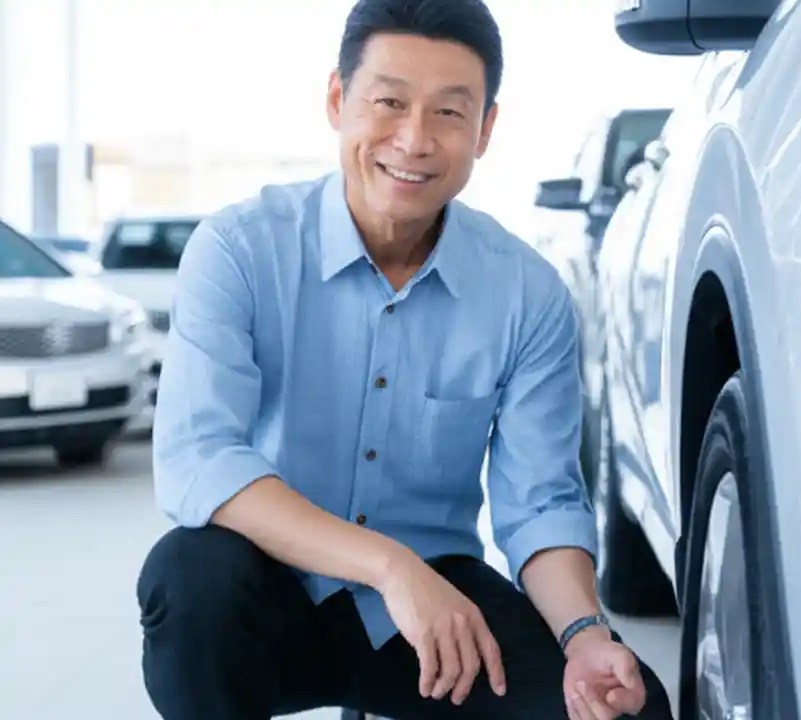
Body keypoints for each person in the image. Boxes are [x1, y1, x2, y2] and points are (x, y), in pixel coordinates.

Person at [134, 1, 675, 718]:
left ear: (484, 130)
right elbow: (200, 458)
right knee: (188, 576)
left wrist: (584, 633)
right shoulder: (238, 249)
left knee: (623, 706)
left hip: (439, 619)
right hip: (266, 593)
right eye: (389, 102)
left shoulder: (525, 291)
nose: (414, 140)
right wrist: (390, 567)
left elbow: (539, 500)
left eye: (450, 113)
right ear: (338, 99)